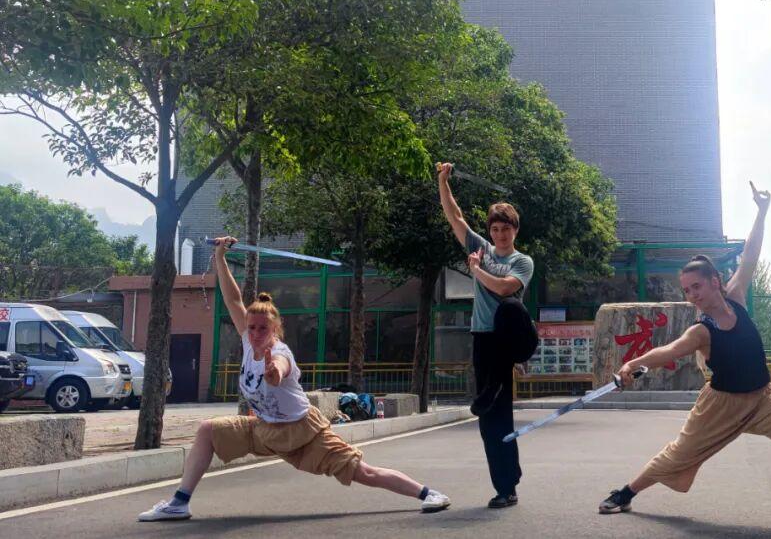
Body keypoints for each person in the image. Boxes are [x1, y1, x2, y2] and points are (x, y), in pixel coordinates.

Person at [596, 182, 771, 538]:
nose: (692, 295)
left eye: (696, 287)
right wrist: (630, 365)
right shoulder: (701, 331)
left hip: (763, 397)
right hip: (721, 405)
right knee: (678, 454)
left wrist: (761, 212)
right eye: (686, 290)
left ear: (715, 282)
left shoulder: (736, 296)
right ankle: (626, 493)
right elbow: (668, 351)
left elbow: (750, 254)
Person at [137, 237, 450, 521]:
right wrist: (220, 256)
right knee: (208, 430)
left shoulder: (280, 352)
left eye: (263, 328)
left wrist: (273, 372)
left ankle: (428, 493)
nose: (256, 333)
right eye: (252, 327)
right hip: (264, 430)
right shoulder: (247, 339)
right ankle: (179, 503)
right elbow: (232, 299)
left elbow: (280, 370)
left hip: (304, 434)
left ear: (274, 329)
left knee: (363, 472)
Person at [438, 162, 534, 509]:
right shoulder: (481, 246)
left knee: (508, 307)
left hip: (510, 339)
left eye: (506, 229)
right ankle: (506, 485)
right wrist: (443, 181)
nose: (500, 234)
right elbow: (455, 216)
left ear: (515, 230)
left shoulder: (522, 261)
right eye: (495, 229)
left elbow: (505, 288)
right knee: (490, 421)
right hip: (483, 339)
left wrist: (476, 270)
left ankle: (507, 372)